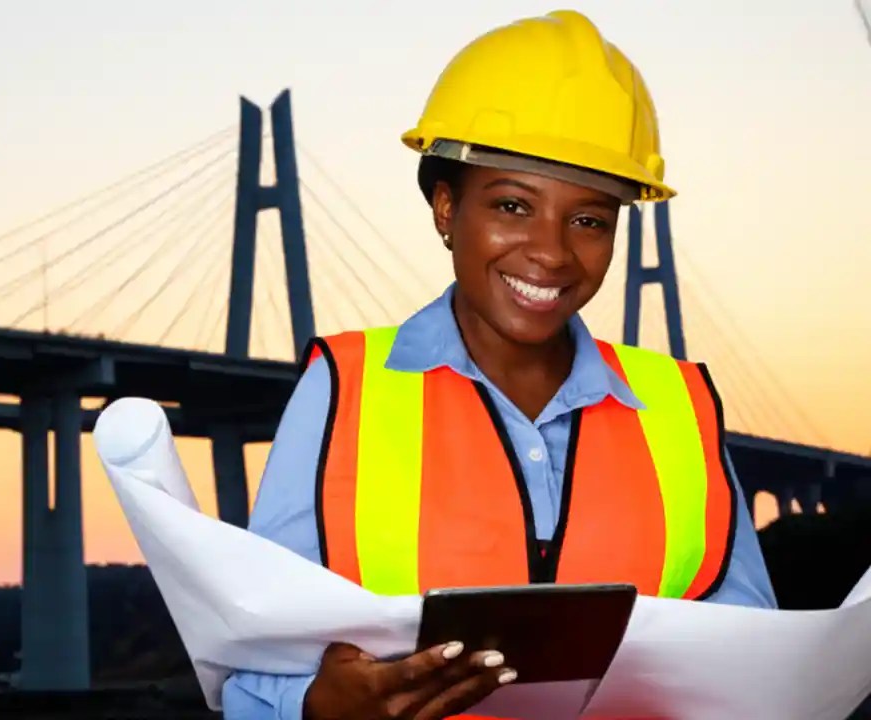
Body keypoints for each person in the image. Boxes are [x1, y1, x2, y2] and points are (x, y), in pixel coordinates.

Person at [220, 9, 778, 720]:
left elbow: (753, 657)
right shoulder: (344, 390)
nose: (551, 251)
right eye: (514, 205)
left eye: (589, 220)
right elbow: (256, 668)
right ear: (445, 208)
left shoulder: (678, 406)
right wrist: (318, 705)